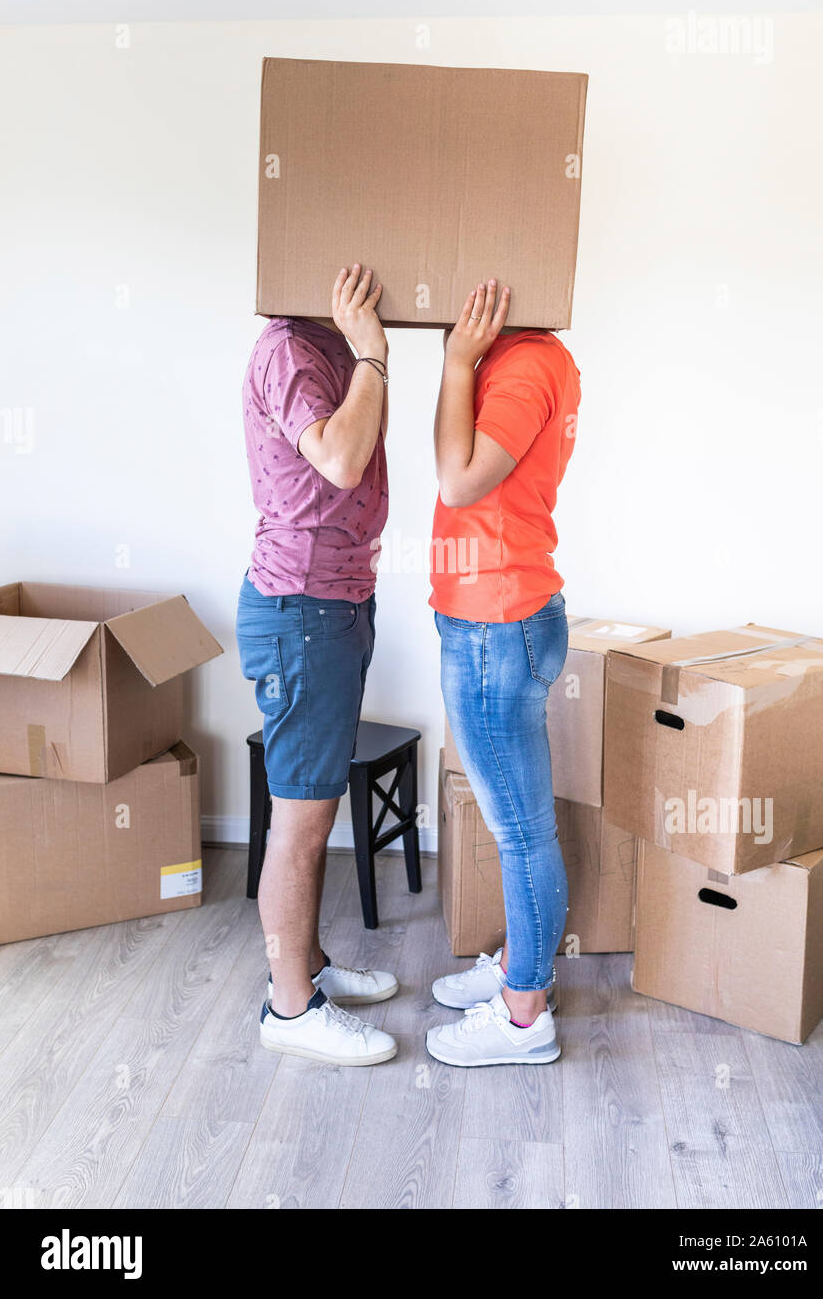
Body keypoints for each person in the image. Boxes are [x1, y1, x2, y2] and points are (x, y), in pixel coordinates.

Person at [236, 264, 399, 1066]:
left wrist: (368, 355)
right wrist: (373, 358)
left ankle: (308, 966)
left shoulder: (334, 344)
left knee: (316, 813)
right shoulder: (295, 350)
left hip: (335, 606)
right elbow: (340, 458)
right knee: (298, 825)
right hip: (303, 612)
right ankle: (290, 1009)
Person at [426, 279, 581, 1067]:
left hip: (496, 623)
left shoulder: (521, 365)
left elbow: (459, 481)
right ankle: (525, 975)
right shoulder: (528, 357)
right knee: (519, 825)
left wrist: (456, 361)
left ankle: (524, 1017)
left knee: (521, 832)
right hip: (501, 615)